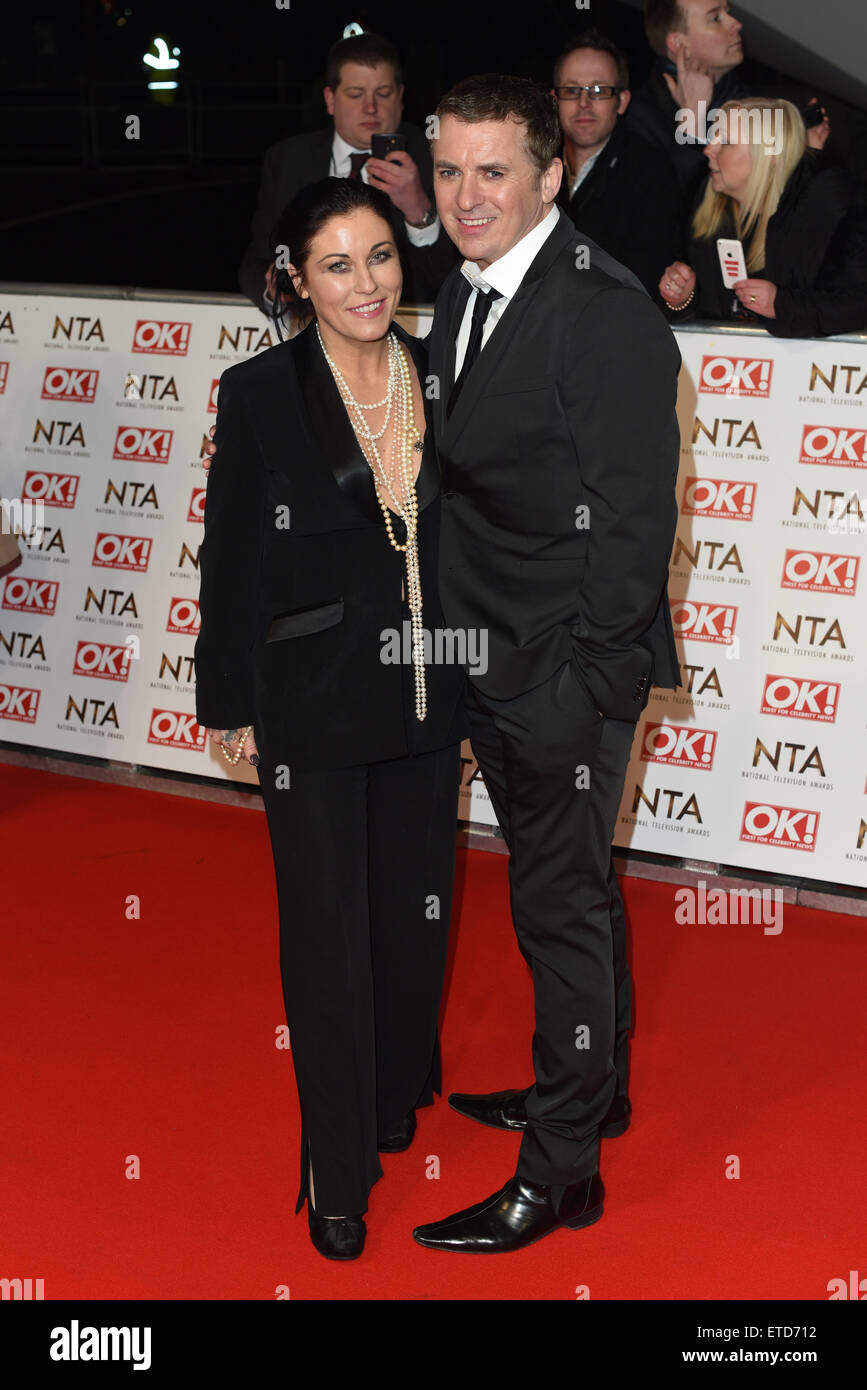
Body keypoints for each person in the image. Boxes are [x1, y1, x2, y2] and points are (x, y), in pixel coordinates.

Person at [410, 75, 682, 1254]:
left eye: (494, 173)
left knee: (557, 907)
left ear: (549, 176)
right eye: (453, 170)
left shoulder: (603, 311)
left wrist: (580, 681)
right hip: (492, 650)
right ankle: (596, 1087)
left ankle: (563, 1172)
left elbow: (634, 525)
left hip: (564, 669)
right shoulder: (466, 295)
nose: (467, 197)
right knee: (562, 892)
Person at [195, 178, 467, 1261]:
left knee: (415, 916)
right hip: (308, 702)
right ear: (297, 280)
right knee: (325, 939)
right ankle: (337, 1166)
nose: (367, 282)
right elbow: (232, 557)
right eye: (339, 264)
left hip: (429, 690)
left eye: (383, 256)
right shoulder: (259, 391)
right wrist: (225, 700)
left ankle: (397, 1094)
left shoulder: (445, 374)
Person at [238, 31, 456, 313]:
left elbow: (452, 279)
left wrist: (419, 214)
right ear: (330, 100)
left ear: (400, 97)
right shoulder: (287, 160)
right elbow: (256, 261)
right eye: (356, 94)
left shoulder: (437, 157)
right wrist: (274, 291)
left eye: (383, 93)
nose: (370, 107)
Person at [659, 98, 867, 337]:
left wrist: (782, 305)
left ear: (768, 156)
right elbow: (714, 321)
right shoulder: (712, 210)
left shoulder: (828, 206)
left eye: (725, 141)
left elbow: (857, 304)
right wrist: (683, 299)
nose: (708, 149)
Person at [628, 0, 830, 199]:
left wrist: (808, 156)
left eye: (728, 12)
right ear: (678, 44)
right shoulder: (636, 115)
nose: (736, 23)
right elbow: (659, 206)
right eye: (715, 18)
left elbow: (779, 204)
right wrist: (692, 119)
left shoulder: (755, 104)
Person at [552, 29, 683, 295]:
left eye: (598, 91)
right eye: (571, 90)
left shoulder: (651, 173)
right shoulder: (529, 166)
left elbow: (644, 278)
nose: (584, 102)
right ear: (554, 101)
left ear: (621, 101)